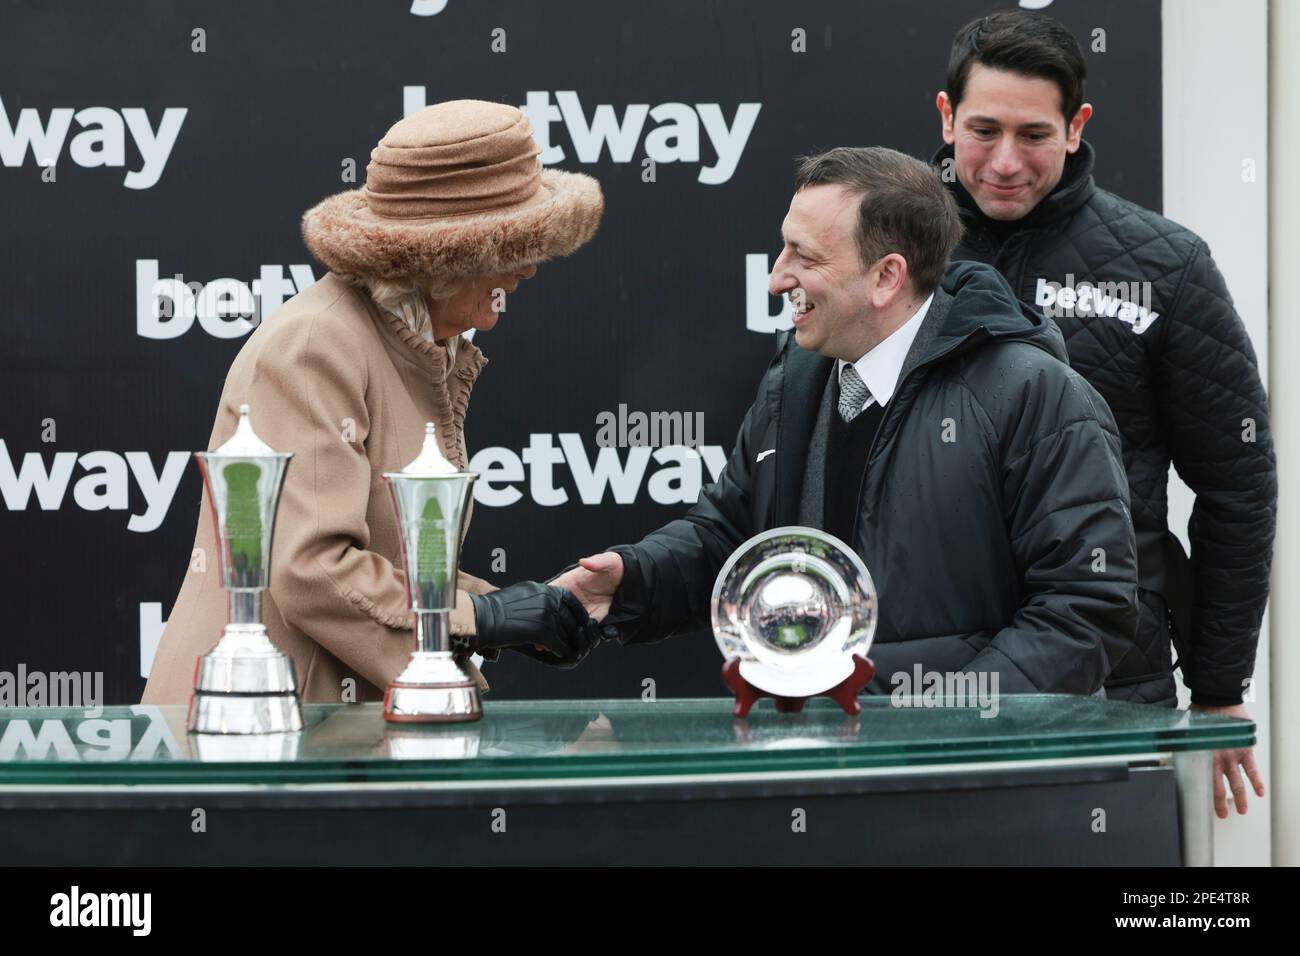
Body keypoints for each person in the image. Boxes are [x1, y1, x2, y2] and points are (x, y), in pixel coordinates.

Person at [554, 146, 1138, 696]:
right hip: (816, 765)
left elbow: (1082, 613)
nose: (776, 277)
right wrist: (631, 582)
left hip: (964, 787)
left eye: (804, 256)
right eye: (784, 249)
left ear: (887, 276)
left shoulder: (1034, 395)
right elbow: (732, 542)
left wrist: (943, 720)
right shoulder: (794, 381)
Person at [143, 100, 604, 705]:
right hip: (264, 736)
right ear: (450, 255)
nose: (530, 270)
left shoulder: (406, 342)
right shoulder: (316, 345)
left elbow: (380, 561)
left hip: (322, 731)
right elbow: (314, 571)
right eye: (515, 247)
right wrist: (481, 618)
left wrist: (511, 607)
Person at [932, 10, 1275, 814]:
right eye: (982, 130)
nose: (1006, 162)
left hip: (1112, 686)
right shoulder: (886, 254)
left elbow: (1239, 484)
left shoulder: (1166, 265)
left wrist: (1220, 688)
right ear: (945, 117)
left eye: (1035, 134)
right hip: (916, 686)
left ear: (1077, 127)